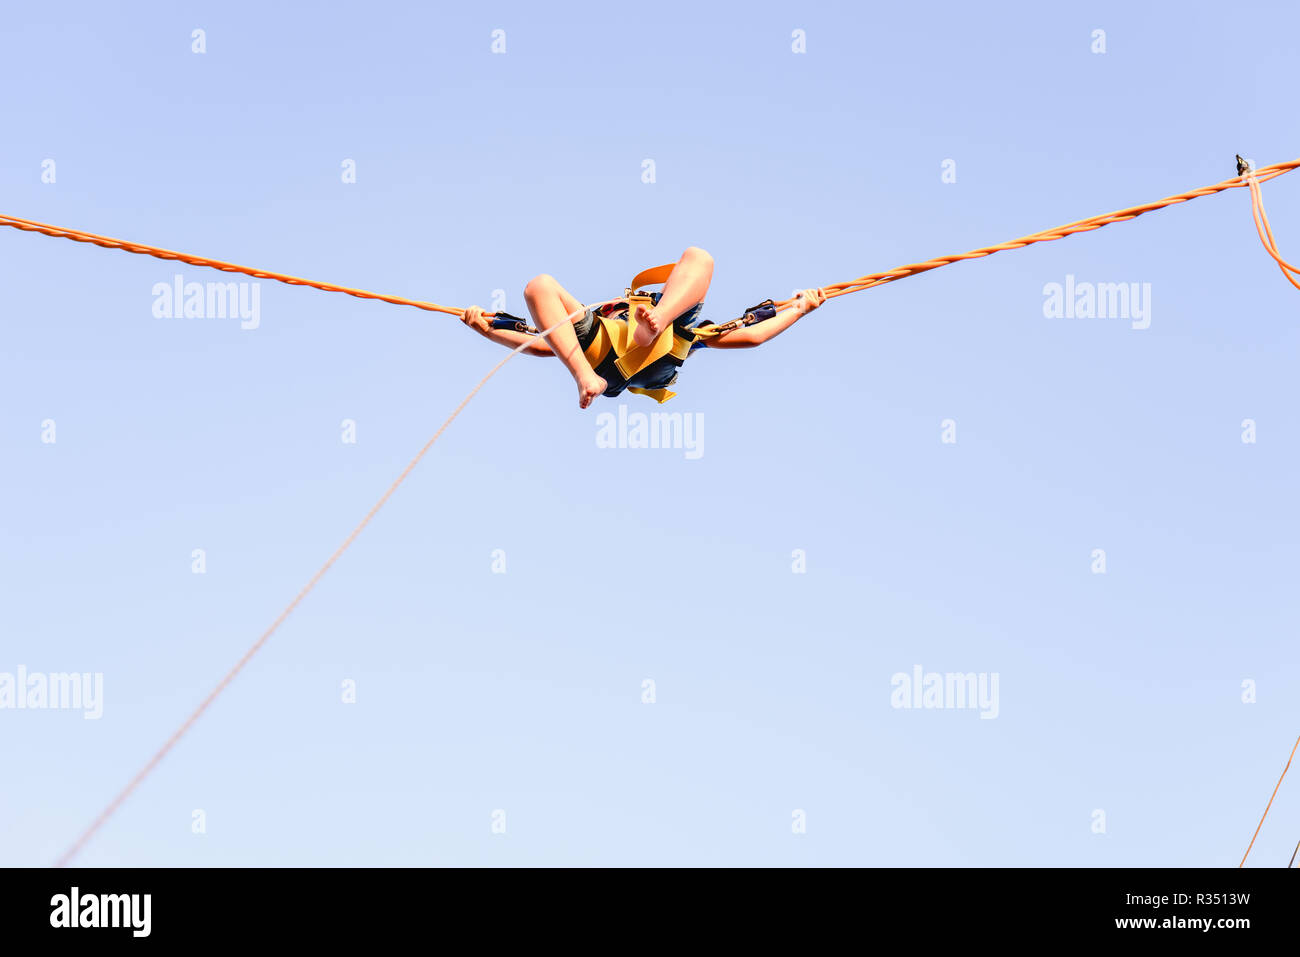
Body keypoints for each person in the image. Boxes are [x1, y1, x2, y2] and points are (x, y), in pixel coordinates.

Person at [459, 246, 826, 408]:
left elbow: (753, 333)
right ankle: (589, 375)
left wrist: (798, 307)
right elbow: (542, 344)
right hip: (602, 361)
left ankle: (655, 323)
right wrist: (486, 328)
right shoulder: (607, 318)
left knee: (698, 258)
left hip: (652, 346)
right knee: (538, 287)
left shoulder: (687, 333)